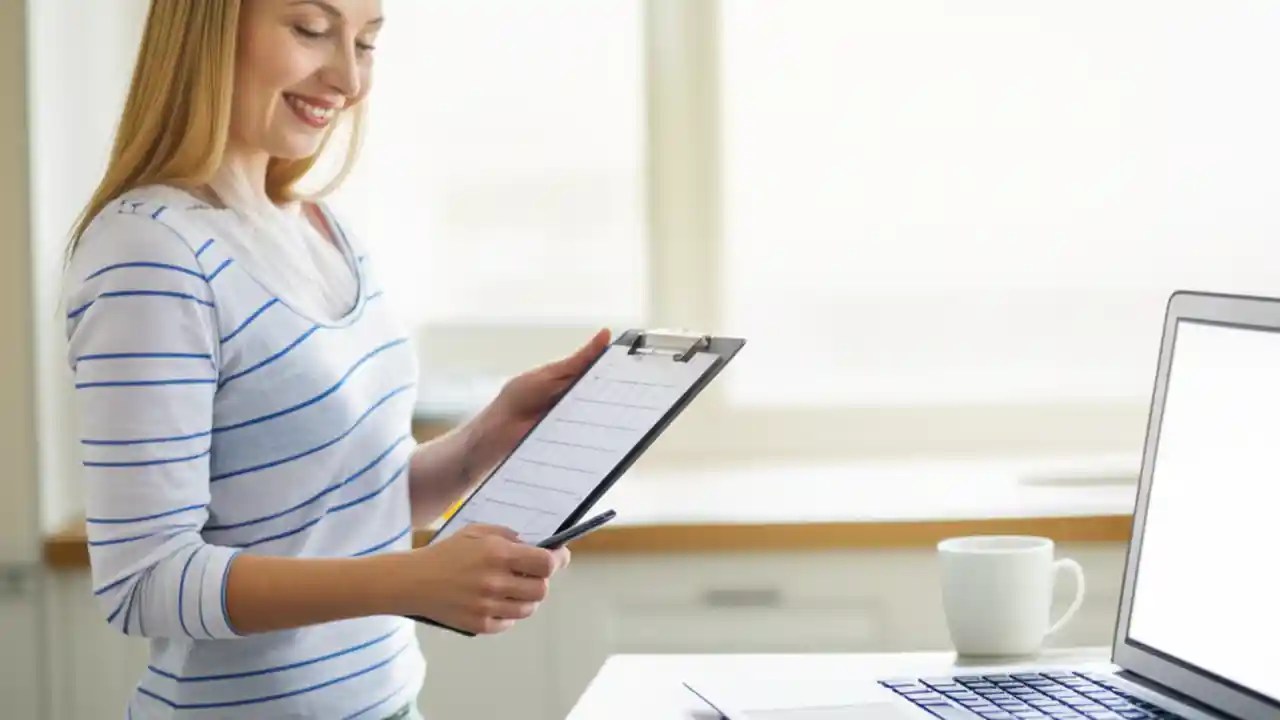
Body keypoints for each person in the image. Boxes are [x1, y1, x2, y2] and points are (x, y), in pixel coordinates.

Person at [62, 1, 610, 717]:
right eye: (310, 30)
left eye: (368, 42)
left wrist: (484, 438)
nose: (348, 78)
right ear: (209, 30)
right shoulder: (150, 250)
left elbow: (342, 507)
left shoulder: (324, 229)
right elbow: (146, 582)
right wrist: (410, 582)